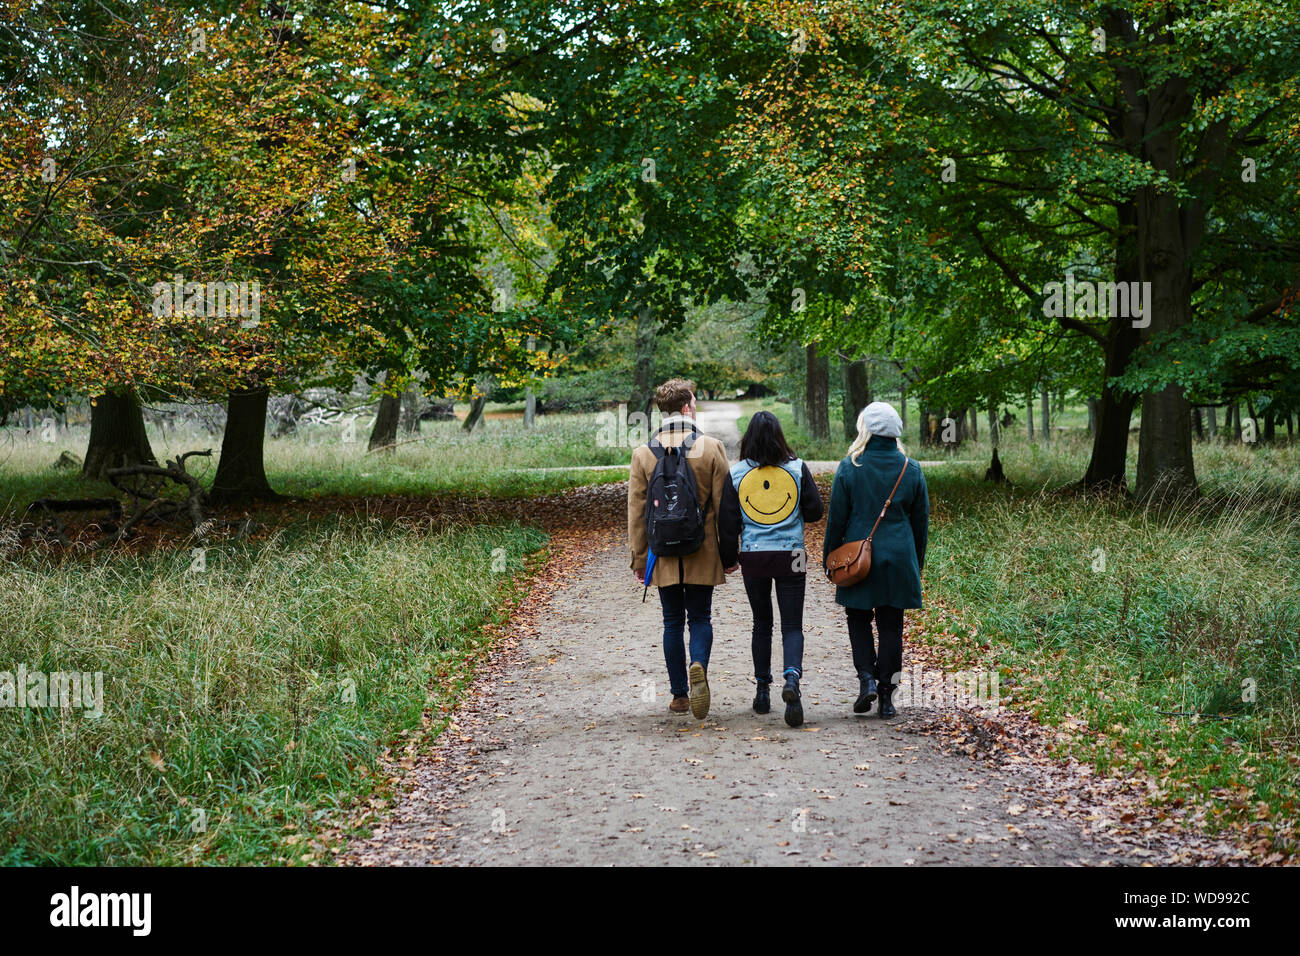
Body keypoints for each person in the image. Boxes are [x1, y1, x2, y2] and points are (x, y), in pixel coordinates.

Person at [628, 379, 730, 719]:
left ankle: (679, 696)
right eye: (695, 402)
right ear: (686, 407)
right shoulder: (711, 447)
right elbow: (725, 508)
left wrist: (639, 558)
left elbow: (637, 512)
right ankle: (698, 662)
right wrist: (729, 554)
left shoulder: (643, 453)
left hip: (663, 552)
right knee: (700, 616)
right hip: (702, 550)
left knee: (671, 621)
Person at [822, 401, 929, 719]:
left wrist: (830, 558)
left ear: (864, 429)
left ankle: (866, 679)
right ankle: (887, 697)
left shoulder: (850, 466)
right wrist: (916, 563)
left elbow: (836, 520)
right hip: (898, 557)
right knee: (892, 625)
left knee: (858, 618)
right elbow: (920, 522)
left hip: (858, 557)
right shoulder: (911, 468)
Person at [718, 412, 823, 727]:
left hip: (754, 555)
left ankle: (762, 690)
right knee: (792, 625)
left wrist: (729, 558)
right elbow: (816, 511)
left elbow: (727, 524)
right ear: (780, 437)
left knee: (761, 624)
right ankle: (792, 678)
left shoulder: (736, 474)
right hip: (793, 554)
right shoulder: (797, 468)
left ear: (748, 438)